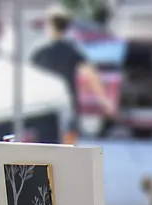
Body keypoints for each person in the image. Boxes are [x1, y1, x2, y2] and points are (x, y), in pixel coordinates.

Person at [31, 5, 115, 145]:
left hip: (44, 107)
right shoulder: (73, 50)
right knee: (68, 148)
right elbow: (91, 76)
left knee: (44, 149)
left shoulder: (40, 53)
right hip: (68, 105)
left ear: (50, 25)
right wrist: (104, 100)